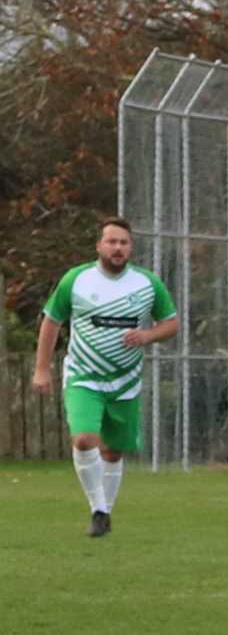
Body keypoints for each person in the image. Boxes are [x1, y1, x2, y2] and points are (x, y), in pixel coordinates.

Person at [32, 216, 177, 538]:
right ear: (98, 246)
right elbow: (52, 321)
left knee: (113, 451)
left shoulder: (147, 283)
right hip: (84, 376)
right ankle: (97, 509)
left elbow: (171, 322)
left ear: (131, 248)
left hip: (126, 381)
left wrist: (147, 336)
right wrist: (42, 369)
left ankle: (105, 513)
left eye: (123, 243)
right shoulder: (77, 279)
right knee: (84, 439)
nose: (118, 248)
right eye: (111, 241)